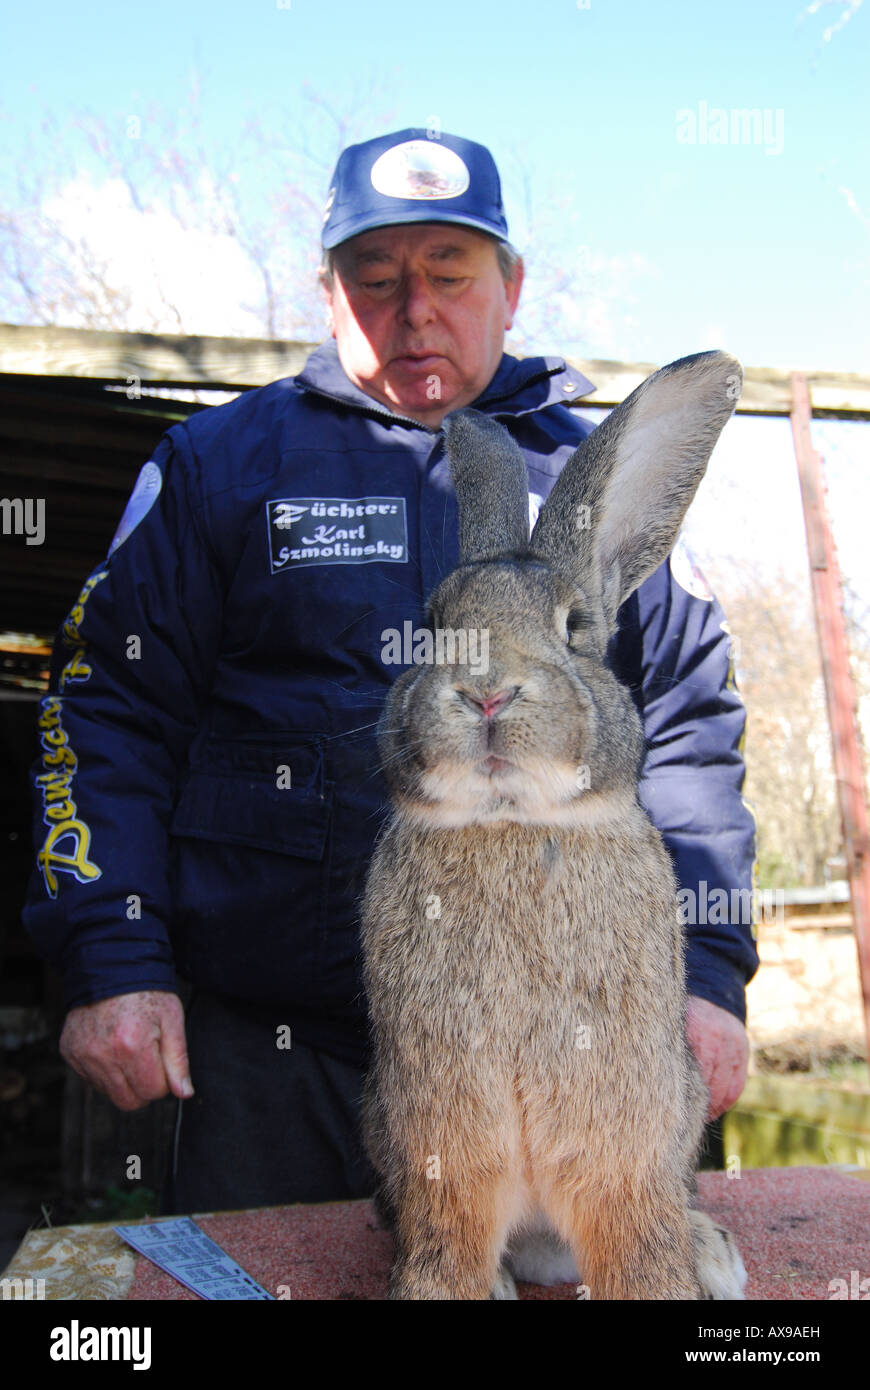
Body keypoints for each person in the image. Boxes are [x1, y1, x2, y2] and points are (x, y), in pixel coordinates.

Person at [22, 128, 758, 1215]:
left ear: (511, 285)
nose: (415, 310)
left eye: (450, 274)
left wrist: (706, 974)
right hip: (279, 1062)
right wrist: (114, 951)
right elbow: (106, 712)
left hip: (570, 1065)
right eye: (376, 277)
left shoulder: (588, 479)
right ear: (329, 293)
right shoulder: (220, 468)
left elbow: (690, 720)